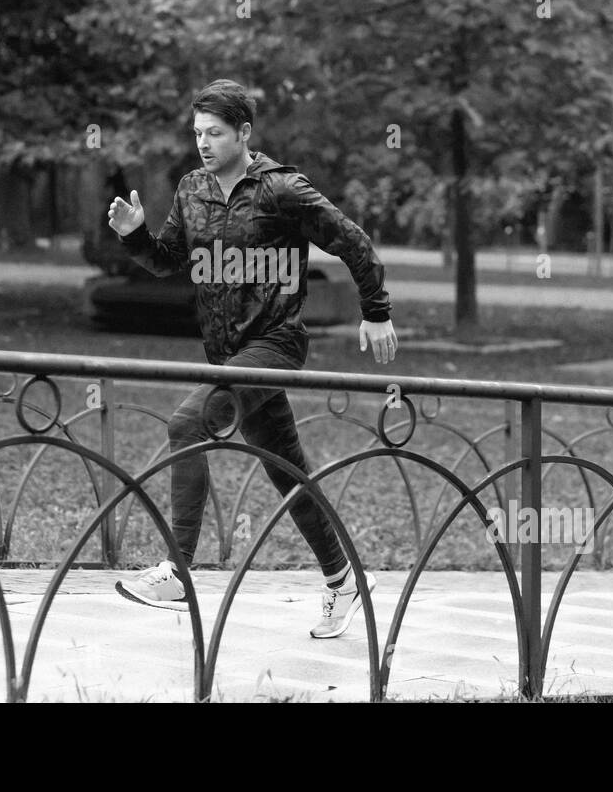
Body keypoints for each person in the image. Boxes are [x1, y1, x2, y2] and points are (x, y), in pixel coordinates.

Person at [107, 78, 398, 638]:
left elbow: (352, 240)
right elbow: (169, 261)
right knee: (288, 472)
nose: (203, 143)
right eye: (197, 133)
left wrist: (376, 310)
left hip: (275, 346)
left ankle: (178, 570)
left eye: (215, 133)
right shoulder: (192, 188)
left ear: (244, 132)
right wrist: (135, 237)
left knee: (187, 422)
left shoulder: (281, 189)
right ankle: (344, 579)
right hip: (227, 353)